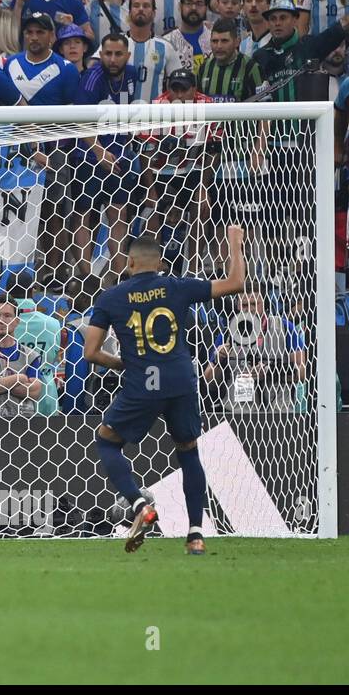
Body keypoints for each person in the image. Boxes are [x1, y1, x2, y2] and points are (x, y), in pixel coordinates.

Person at [83, 227, 246, 555]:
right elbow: (235, 283)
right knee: (188, 450)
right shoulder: (178, 286)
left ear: (129, 263)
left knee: (106, 440)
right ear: (160, 263)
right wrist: (234, 243)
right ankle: (196, 535)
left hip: (142, 384)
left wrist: (122, 363)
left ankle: (139, 503)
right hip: (181, 382)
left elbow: (90, 353)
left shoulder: (111, 297)